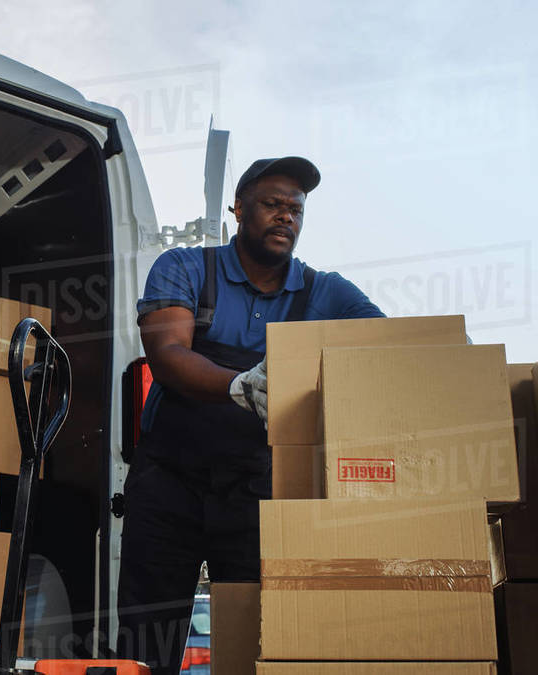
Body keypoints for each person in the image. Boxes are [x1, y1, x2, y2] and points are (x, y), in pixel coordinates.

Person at [117, 157, 385, 674]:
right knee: (146, 637)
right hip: (168, 485)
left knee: (257, 635)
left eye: (295, 209)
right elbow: (168, 356)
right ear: (239, 209)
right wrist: (238, 385)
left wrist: (441, 348)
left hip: (255, 492)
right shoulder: (188, 268)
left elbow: (386, 342)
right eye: (271, 204)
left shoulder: (322, 291)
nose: (285, 216)